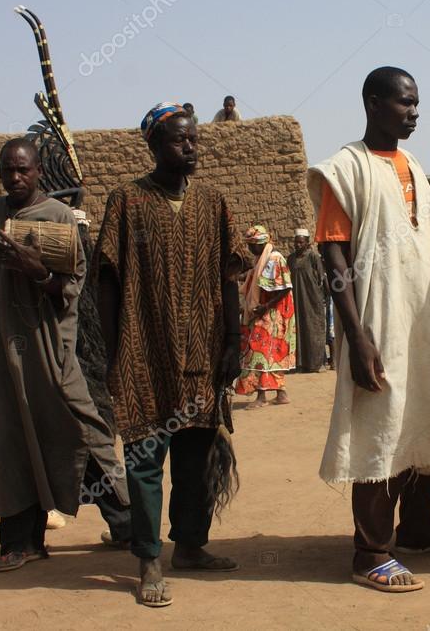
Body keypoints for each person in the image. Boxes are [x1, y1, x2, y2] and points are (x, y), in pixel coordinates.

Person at [308, 66, 430, 593]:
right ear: (373, 103)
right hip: (377, 320)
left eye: (417, 103)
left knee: (427, 419)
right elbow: (333, 254)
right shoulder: (347, 168)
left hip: (423, 324)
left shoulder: (413, 167)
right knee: (383, 429)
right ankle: (371, 551)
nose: (414, 112)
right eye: (405, 103)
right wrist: (356, 336)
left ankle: (419, 527)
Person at [0, 138, 131, 572]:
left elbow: (71, 287)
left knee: (76, 431)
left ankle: (126, 522)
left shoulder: (57, 217)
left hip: (47, 351)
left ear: (38, 171)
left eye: (22, 170)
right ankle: (20, 542)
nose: (14, 178)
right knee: (7, 440)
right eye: (7, 170)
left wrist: (37, 271)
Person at [96, 102, 246, 607]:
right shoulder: (128, 202)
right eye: (180, 140)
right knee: (143, 459)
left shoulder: (213, 201)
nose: (191, 147)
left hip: (203, 354)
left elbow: (230, 278)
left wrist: (233, 342)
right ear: (156, 146)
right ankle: (148, 558)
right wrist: (115, 351)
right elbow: (109, 283)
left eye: (194, 139)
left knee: (195, 457)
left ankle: (191, 546)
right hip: (143, 351)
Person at [236, 225, 296, 406]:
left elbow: (285, 288)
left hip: (273, 314)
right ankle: (281, 393)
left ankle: (261, 396)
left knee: (259, 352)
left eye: (251, 245)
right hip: (264, 312)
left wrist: (265, 307)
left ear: (260, 243)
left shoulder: (274, 259)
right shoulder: (260, 259)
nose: (249, 249)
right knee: (267, 353)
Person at [287, 228, 328, 373]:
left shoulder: (313, 257)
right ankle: (300, 363)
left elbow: (321, 278)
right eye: (296, 242)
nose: (297, 245)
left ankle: (316, 363)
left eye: (301, 242)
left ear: (307, 243)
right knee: (298, 329)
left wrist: (323, 295)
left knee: (313, 328)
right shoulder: (291, 259)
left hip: (312, 299)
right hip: (297, 300)